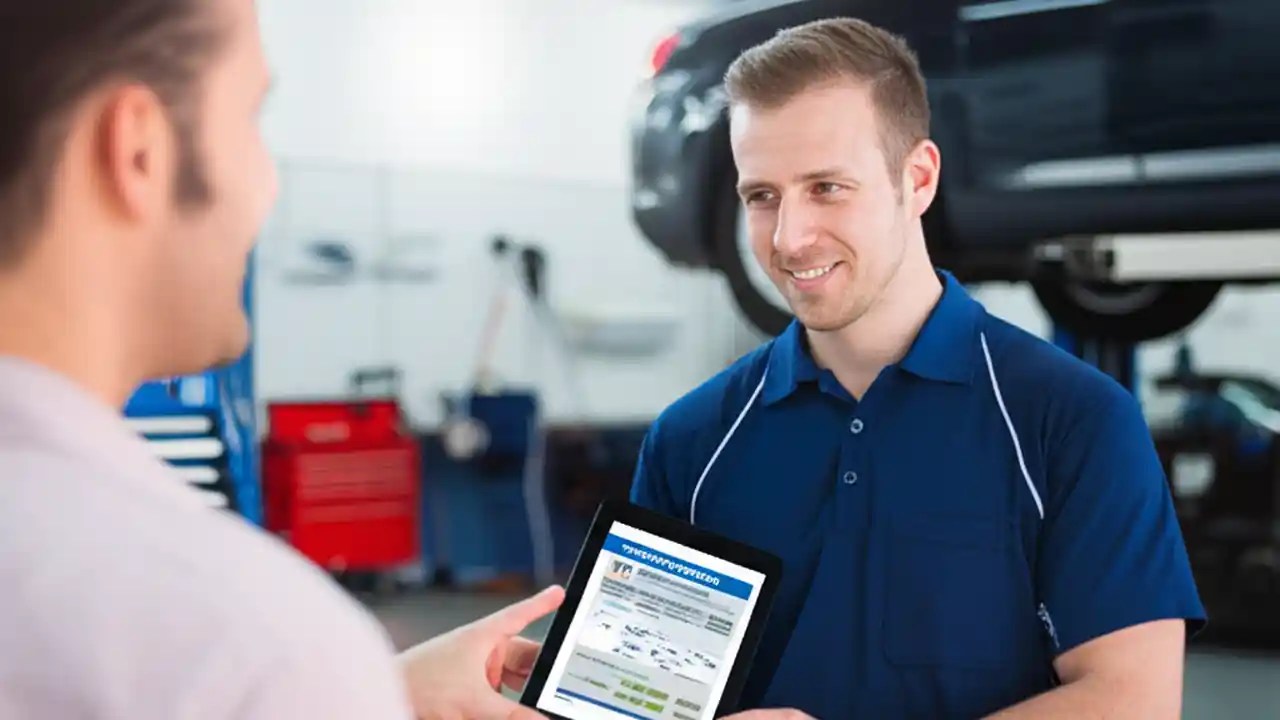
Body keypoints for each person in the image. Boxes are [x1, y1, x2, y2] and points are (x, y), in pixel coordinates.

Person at [0, 2, 812, 719]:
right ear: (138, 151)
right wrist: (329, 684)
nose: (268, 185)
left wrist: (377, 695)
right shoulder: (238, 640)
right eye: (250, 119)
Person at [632, 17, 1206, 720]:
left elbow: (1131, 703)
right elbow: (644, 699)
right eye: (762, 196)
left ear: (919, 178)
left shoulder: (1070, 423)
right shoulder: (690, 443)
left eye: (826, 188)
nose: (789, 238)